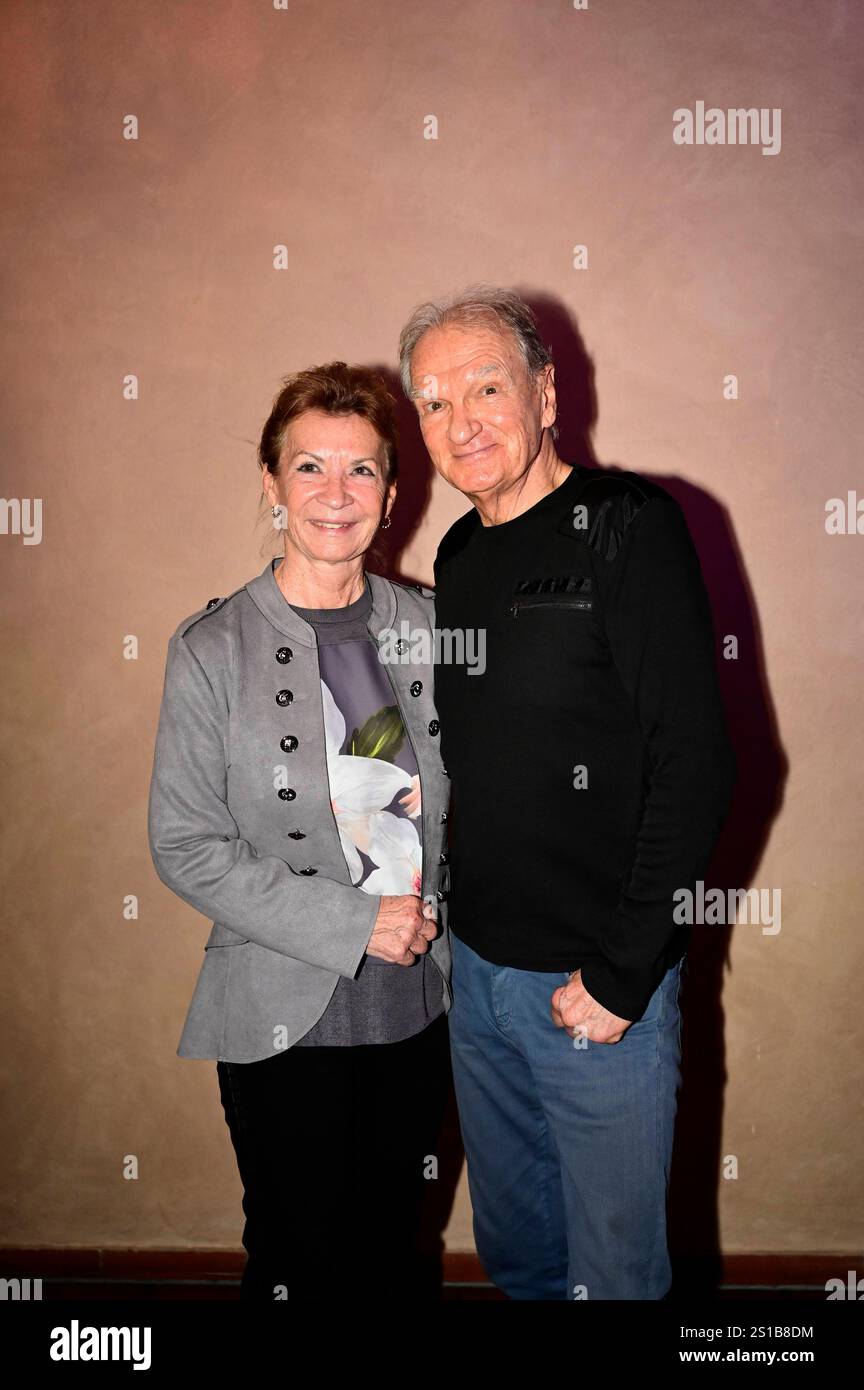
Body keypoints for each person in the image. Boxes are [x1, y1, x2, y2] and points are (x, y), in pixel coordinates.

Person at [397, 286, 736, 1300]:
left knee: (617, 1274)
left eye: (487, 387)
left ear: (546, 393)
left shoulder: (628, 527)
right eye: (433, 401)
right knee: (523, 1257)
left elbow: (696, 763)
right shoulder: (458, 554)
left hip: (595, 988)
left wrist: (626, 973)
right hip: (481, 978)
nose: (461, 422)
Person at [147, 362, 453, 1300]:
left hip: (422, 1004)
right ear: (271, 484)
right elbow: (184, 841)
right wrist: (352, 924)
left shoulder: (436, 630)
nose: (335, 493)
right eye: (309, 467)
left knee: (396, 1250)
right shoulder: (212, 647)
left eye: (361, 471)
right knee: (298, 1257)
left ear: (394, 494)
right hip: (280, 1011)